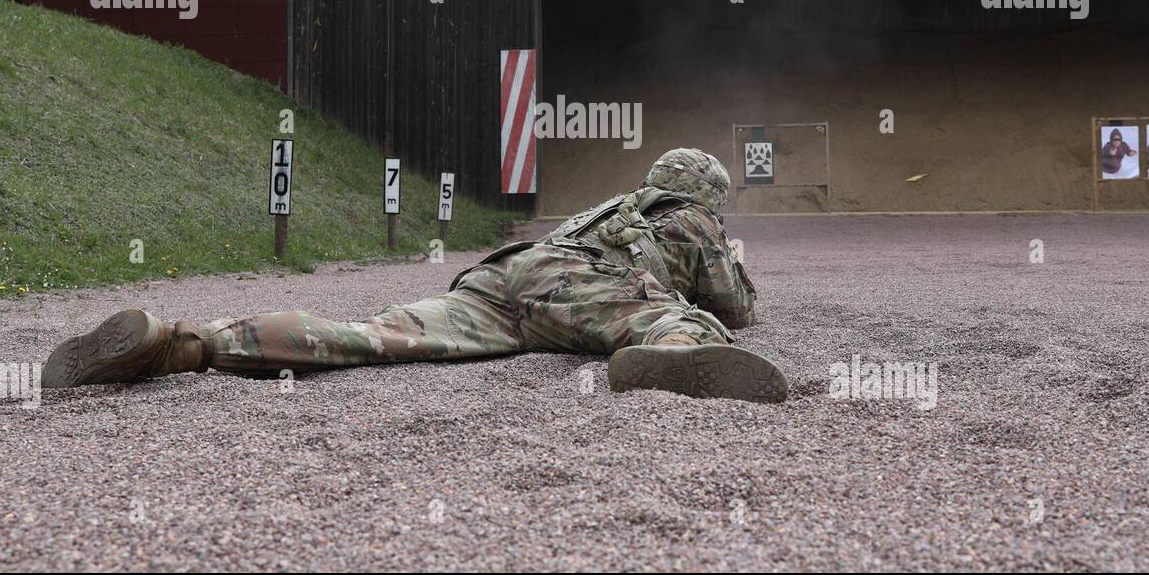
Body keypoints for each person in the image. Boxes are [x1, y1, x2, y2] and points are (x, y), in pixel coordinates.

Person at [43, 148, 789, 403]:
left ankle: (186, 344)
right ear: (709, 197)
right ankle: (675, 359)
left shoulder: (608, 204)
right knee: (679, 319)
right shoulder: (690, 218)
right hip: (582, 286)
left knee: (370, 335)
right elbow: (736, 305)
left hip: (501, 282)